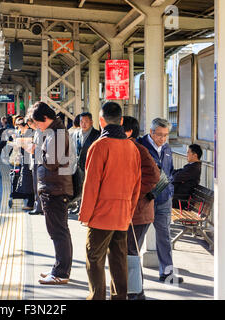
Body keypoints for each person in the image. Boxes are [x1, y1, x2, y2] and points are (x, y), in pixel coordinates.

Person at [78, 102, 141, 300]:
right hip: (123, 213)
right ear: (121, 121)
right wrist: (129, 211)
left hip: (101, 214)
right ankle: (119, 297)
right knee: (119, 258)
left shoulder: (99, 146)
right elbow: (136, 185)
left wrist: (85, 214)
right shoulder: (132, 148)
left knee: (94, 257)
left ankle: (96, 297)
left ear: (101, 121)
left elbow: (91, 185)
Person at [29, 101, 73, 285]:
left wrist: (35, 150)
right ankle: (59, 267)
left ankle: (61, 272)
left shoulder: (56, 134)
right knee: (59, 231)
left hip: (55, 189)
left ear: (46, 118)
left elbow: (52, 162)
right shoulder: (54, 132)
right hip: (54, 187)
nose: (37, 126)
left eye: (38, 122)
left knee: (58, 232)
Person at [137, 118, 184, 284]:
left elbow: (169, 172)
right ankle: (134, 274)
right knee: (138, 238)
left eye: (166, 135)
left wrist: (169, 190)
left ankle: (167, 274)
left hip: (163, 200)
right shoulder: (139, 146)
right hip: (145, 201)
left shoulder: (167, 148)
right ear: (151, 132)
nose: (163, 139)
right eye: (159, 135)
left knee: (165, 236)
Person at [122, 116, 160, 300]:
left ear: (128, 131)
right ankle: (135, 291)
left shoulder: (137, 149)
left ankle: (136, 293)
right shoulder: (132, 148)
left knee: (131, 251)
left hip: (138, 212)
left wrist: (134, 192)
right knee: (130, 251)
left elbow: (154, 176)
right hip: (137, 211)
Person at [69, 112, 101, 214]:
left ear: (91, 122)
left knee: (88, 188)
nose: (83, 124)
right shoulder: (76, 134)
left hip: (90, 165)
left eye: (86, 121)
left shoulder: (97, 134)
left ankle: (87, 209)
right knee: (78, 186)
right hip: (77, 165)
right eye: (81, 122)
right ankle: (79, 207)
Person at [14, 117, 35, 211]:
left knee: (29, 181)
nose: (19, 128)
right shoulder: (24, 133)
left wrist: (20, 143)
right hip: (25, 159)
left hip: (29, 160)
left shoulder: (30, 132)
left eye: (19, 126)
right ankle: (29, 201)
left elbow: (30, 147)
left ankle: (31, 203)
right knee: (27, 181)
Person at [25, 114, 44, 215]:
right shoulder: (38, 131)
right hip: (36, 160)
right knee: (36, 184)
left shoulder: (40, 131)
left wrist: (32, 147)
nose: (30, 126)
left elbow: (39, 145)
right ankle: (39, 206)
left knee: (37, 184)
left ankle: (39, 207)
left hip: (38, 160)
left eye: (30, 124)